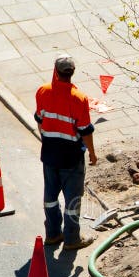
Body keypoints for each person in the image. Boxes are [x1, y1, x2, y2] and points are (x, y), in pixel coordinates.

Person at [35, 54, 97, 250]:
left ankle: (53, 234)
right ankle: (72, 239)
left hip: (50, 155)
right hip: (71, 158)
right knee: (73, 200)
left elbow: (39, 120)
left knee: (50, 197)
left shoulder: (43, 92)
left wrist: (47, 139)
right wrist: (93, 154)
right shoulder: (79, 98)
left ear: (56, 71)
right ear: (72, 73)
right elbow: (85, 131)